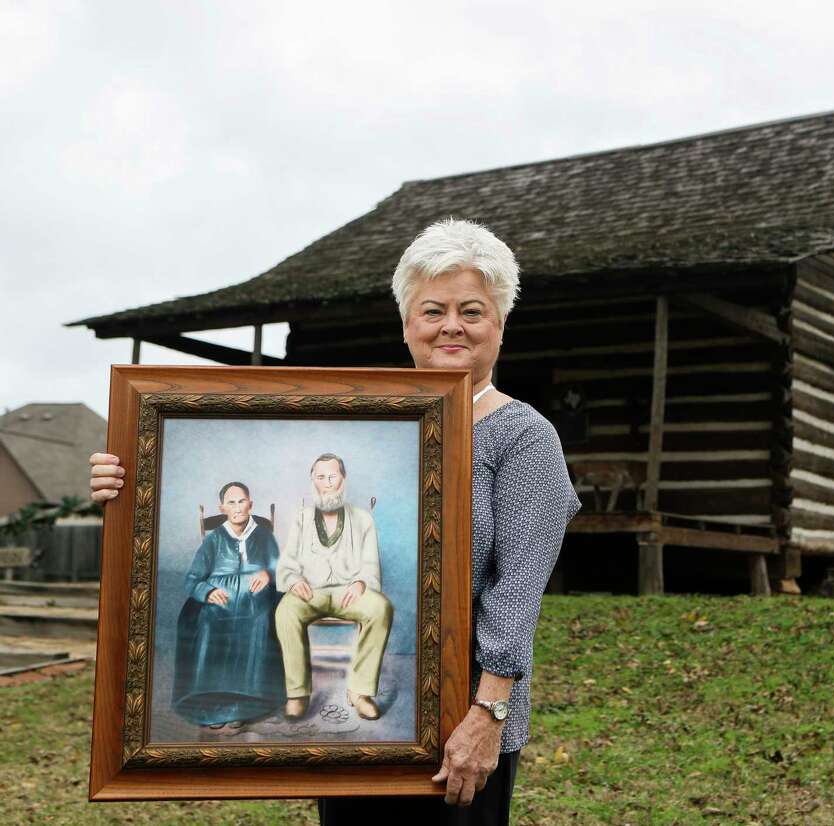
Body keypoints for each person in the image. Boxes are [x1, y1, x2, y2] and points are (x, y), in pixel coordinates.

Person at [90, 218, 581, 825]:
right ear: (407, 325)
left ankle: (363, 688)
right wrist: (132, 480)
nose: (451, 325)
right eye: (433, 310)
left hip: (464, 722)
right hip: (355, 755)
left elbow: (517, 593)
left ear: (500, 324)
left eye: (472, 311)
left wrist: (488, 715)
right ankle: (294, 693)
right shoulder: (369, 419)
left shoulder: (524, 436)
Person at [275, 452, 393, 722]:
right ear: (312, 481)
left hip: (348, 592)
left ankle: (360, 692)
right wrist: (294, 581)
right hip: (310, 592)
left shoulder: (363, 518)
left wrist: (362, 582)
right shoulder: (302, 518)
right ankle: (297, 693)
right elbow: (288, 563)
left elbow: (370, 563)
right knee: (285, 611)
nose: (326, 482)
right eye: (320, 477)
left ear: (343, 479)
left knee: (380, 608)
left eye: (332, 476)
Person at [173, 481, 286, 729]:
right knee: (209, 619)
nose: (237, 507)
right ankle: (212, 700)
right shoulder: (213, 541)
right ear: (222, 507)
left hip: (257, 599)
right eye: (231, 502)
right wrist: (208, 590)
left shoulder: (265, 535)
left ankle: (247, 703)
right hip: (219, 603)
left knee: (261, 619)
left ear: (250, 504)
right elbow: (192, 579)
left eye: (242, 501)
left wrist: (268, 573)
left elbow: (282, 567)